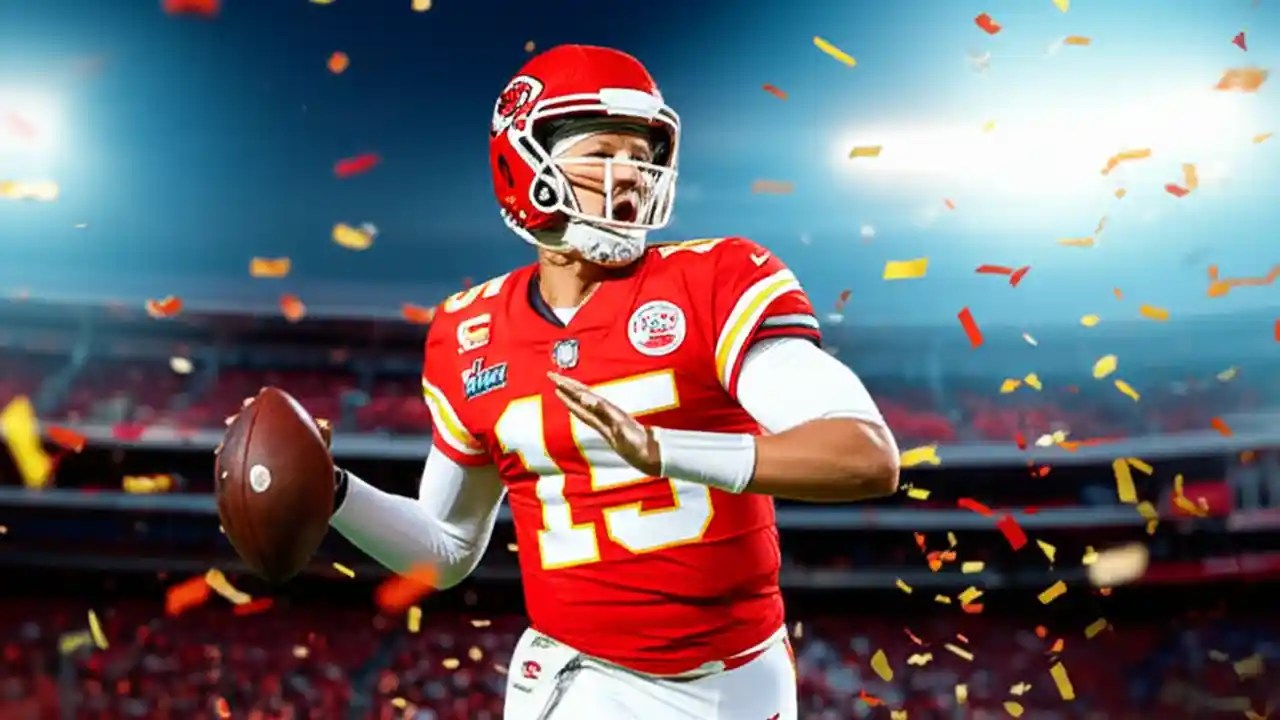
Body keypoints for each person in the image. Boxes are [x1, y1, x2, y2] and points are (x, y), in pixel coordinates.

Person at [328, 44, 900, 720]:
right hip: (573, 679)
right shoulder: (466, 329)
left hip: (731, 681)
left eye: (642, 156)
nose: (630, 175)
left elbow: (865, 456)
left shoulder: (714, 280)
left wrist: (663, 452)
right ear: (523, 160)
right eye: (603, 152)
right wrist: (333, 493)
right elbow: (448, 549)